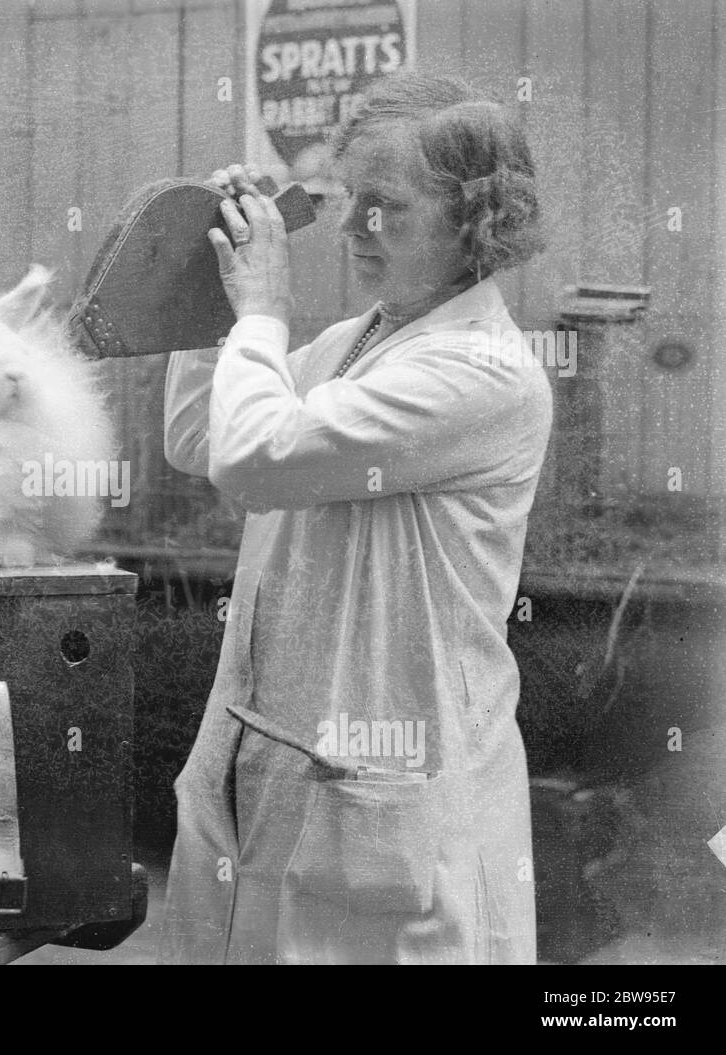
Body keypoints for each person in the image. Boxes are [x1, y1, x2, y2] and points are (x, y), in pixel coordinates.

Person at [158, 72, 551, 964]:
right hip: (274, 755)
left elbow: (255, 455)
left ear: (476, 221)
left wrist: (261, 309)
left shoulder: (482, 374)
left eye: (388, 208)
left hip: (391, 786)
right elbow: (198, 435)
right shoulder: (358, 344)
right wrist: (207, 296)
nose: (352, 229)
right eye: (350, 200)